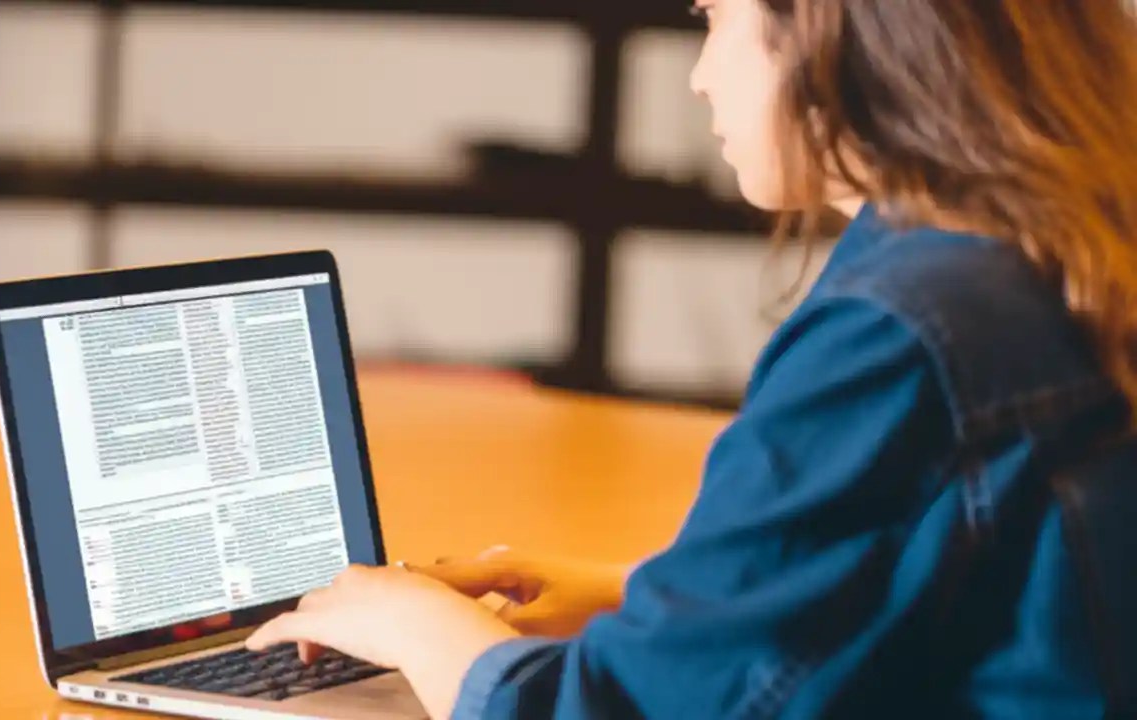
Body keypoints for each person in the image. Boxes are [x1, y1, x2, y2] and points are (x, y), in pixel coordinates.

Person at [246, 1, 1137, 717]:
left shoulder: (906, 326)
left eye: (712, 18)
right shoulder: (1043, 249)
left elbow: (620, 711)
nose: (700, 79)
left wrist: (411, 625)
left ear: (822, 26)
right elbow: (940, 565)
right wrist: (641, 597)